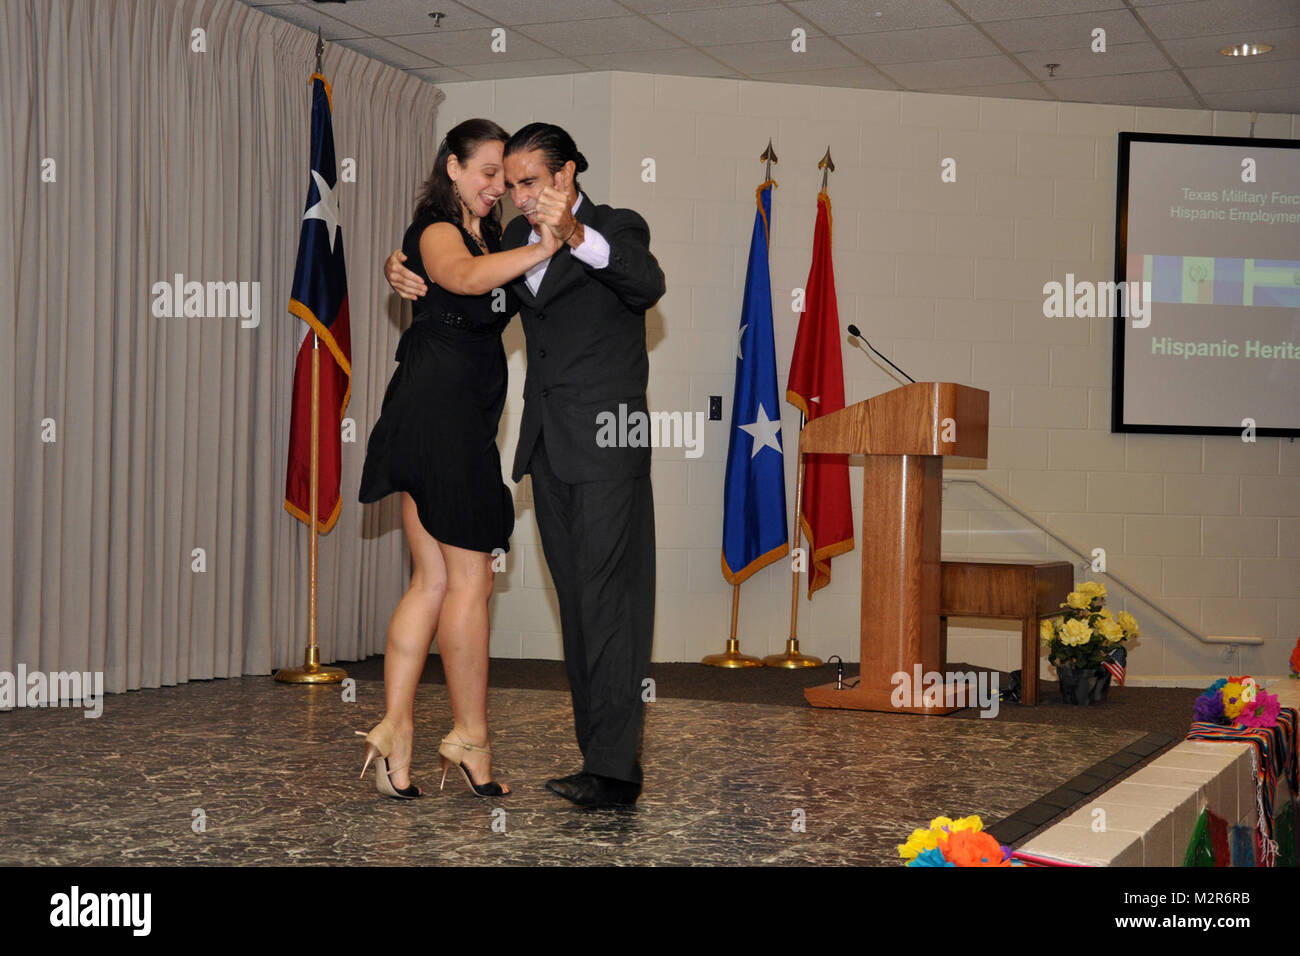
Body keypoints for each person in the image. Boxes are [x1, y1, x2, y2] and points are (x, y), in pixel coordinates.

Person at [385, 122, 665, 807]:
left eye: (528, 182)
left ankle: (615, 771)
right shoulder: (513, 240)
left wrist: (572, 235)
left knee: (612, 606)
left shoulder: (615, 224)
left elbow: (645, 283)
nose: (514, 196)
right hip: (545, 445)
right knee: (577, 604)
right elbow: (471, 293)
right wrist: (405, 269)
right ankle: (598, 760)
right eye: (508, 184)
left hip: (607, 440)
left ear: (567, 174)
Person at [356, 118, 562, 800]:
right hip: (439, 413)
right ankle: (471, 735)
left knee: (434, 581)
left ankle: (397, 733)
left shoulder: (490, 235)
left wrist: (536, 244)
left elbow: (480, 276)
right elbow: (467, 280)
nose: (497, 185)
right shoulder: (439, 232)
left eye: (505, 176)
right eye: (486, 172)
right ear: (452, 167)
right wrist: (543, 250)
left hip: (445, 412)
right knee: (469, 581)